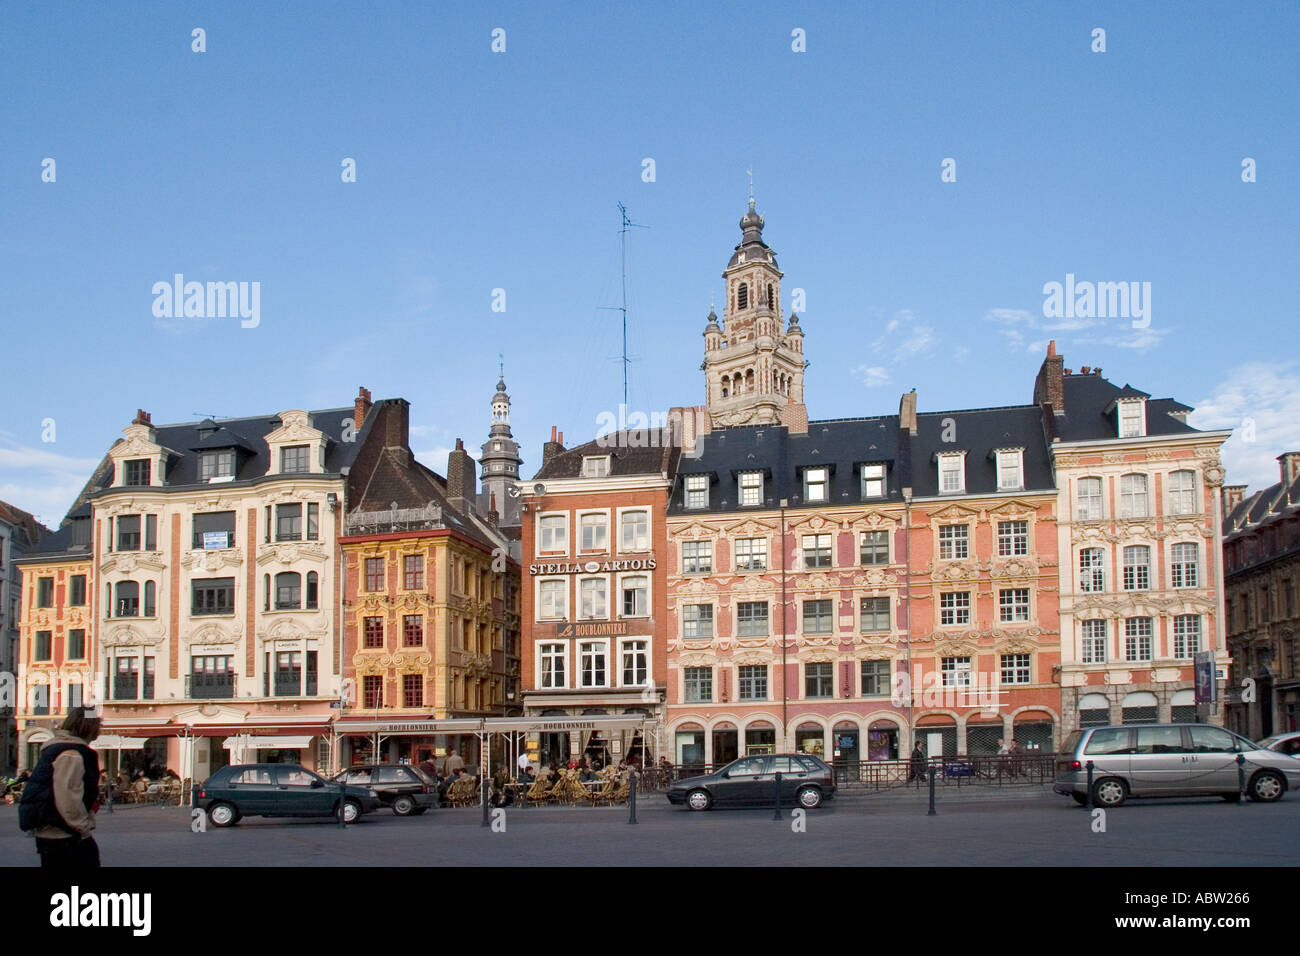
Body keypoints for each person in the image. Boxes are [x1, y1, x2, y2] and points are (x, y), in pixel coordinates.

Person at [19, 707, 102, 869]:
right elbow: (67, 796)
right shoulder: (71, 753)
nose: (99, 729)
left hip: (52, 834)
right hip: (63, 835)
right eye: (98, 725)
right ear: (89, 727)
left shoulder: (59, 749)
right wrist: (82, 827)